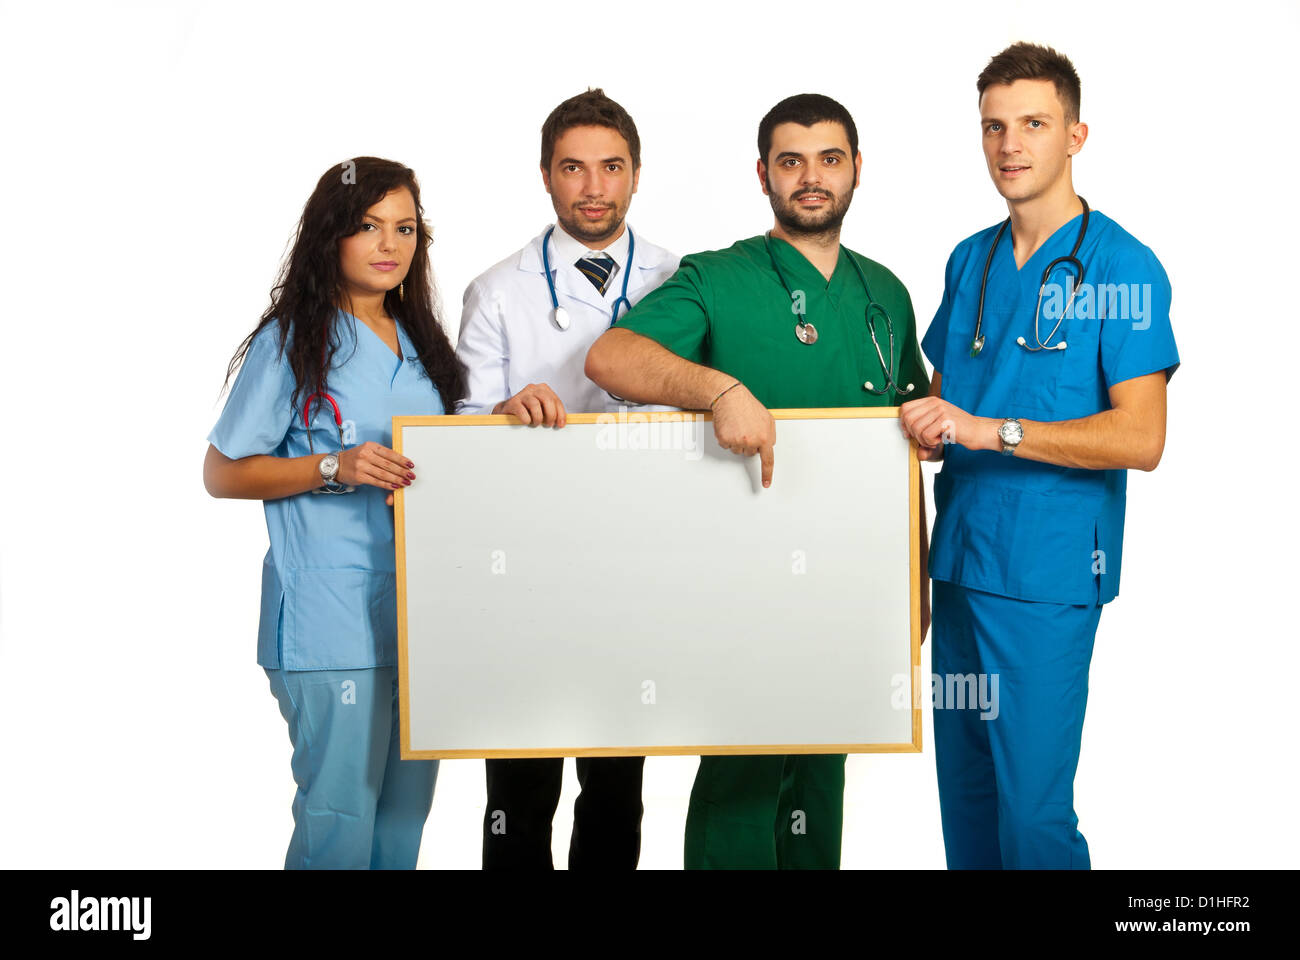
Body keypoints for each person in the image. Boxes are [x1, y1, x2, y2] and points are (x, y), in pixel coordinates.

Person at [585, 93, 929, 869]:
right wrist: (720, 390)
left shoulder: (887, 293)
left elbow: (907, 433)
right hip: (743, 584)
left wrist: (915, 588)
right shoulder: (719, 277)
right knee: (743, 770)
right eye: (791, 161)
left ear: (856, 171)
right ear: (764, 175)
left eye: (829, 159)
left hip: (855, 584)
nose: (811, 178)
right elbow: (612, 359)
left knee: (821, 770)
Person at [898, 43, 1179, 869]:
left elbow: (1142, 438)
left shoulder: (1123, 267)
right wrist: (924, 426)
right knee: (971, 806)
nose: (1009, 145)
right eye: (993, 126)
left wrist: (996, 430)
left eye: (1032, 123)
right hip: (958, 566)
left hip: (1048, 576)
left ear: (1076, 135)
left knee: (1032, 818)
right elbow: (949, 393)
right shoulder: (970, 258)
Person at [203, 157, 466, 869]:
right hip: (329, 621)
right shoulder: (294, 341)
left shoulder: (424, 345)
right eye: (367, 226)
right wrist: (332, 466)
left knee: (403, 825)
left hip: (417, 621)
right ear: (331, 238)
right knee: (340, 822)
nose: (390, 244)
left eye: (406, 228)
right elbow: (221, 472)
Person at [455, 88, 679, 868]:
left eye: (610, 168)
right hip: (526, 572)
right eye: (573, 169)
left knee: (617, 794)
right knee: (518, 796)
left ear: (637, 175)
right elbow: (462, 443)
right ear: (546, 177)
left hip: (632, 570)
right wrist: (503, 411)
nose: (593, 188)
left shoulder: (678, 279)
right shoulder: (495, 292)